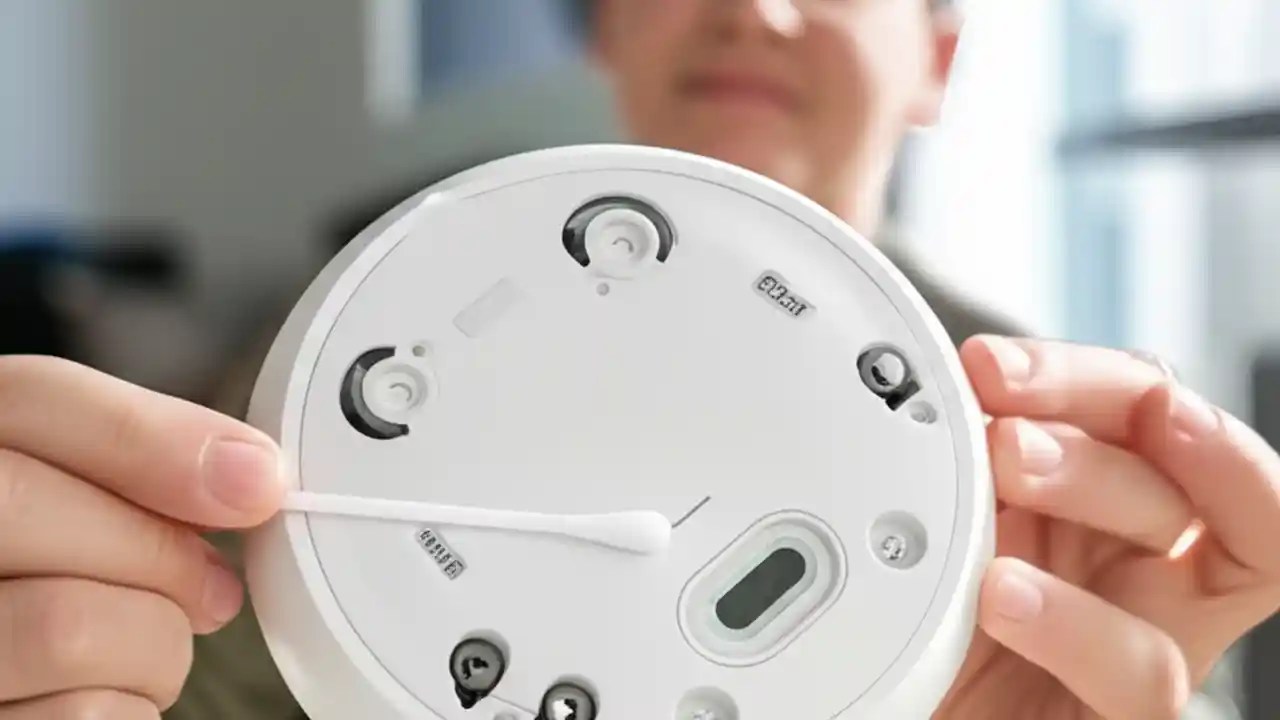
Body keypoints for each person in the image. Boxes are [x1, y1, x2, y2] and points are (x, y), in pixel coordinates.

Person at [0, 1, 1273, 718]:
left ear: (938, 57)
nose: (752, 13)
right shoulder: (327, 360)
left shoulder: (1052, 498)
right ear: (604, 26)